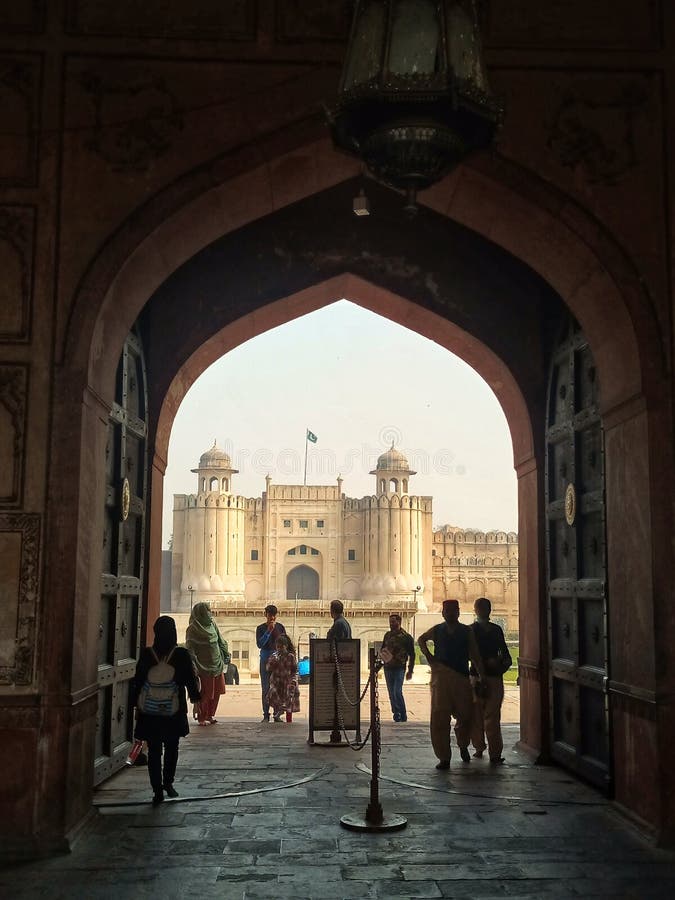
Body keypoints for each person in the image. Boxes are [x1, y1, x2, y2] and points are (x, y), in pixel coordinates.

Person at [132, 616, 201, 805]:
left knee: (154, 750)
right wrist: (196, 699)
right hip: (173, 709)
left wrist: (135, 704)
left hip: (151, 711)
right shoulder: (181, 654)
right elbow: (190, 680)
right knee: (172, 747)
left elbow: (138, 681)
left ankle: (157, 790)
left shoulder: (147, 654)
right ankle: (168, 784)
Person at [418, 599, 485, 770]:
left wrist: (481, 676)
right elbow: (421, 639)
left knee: (465, 716)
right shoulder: (438, 630)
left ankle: (463, 745)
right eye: (447, 610)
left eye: (453, 610)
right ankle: (444, 757)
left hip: (461, 677)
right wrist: (429, 657)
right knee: (440, 717)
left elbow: (475, 654)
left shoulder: (466, 631)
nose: (450, 613)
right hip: (441, 677)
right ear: (443, 613)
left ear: (458, 612)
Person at [470, 597, 512, 765]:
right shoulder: (471, 630)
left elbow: (505, 654)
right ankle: (480, 747)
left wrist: (499, 666)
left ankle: (493, 752)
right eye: (481, 607)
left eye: (485, 607)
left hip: (491, 676)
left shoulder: (495, 630)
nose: (483, 610)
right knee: (478, 715)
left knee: (491, 716)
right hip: (478, 677)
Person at [185, 601, 229, 725]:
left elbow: (220, 640)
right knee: (206, 693)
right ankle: (202, 717)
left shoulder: (212, 624)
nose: (210, 613)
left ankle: (210, 715)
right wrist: (194, 663)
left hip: (217, 663)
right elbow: (190, 647)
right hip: (203, 665)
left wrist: (226, 653)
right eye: (207, 610)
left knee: (217, 692)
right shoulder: (193, 628)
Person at [380, 613, 415, 722]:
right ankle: (396, 714)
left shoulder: (406, 637)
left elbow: (412, 654)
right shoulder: (387, 635)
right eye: (390, 622)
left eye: (393, 622)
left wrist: (410, 670)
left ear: (399, 622)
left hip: (399, 668)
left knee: (397, 691)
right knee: (391, 693)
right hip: (388, 668)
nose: (391, 624)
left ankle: (402, 713)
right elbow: (383, 649)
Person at [256, 604, 287, 722]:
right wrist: (268, 632)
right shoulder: (260, 628)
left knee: (278, 687)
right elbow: (260, 644)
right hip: (265, 660)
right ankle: (265, 714)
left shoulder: (280, 627)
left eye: (274, 616)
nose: (272, 618)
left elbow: (285, 643)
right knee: (266, 688)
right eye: (270, 616)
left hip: (278, 661)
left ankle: (277, 713)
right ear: (266, 615)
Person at [266, 635, 300, 723]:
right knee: (275, 697)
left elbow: (294, 669)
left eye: (282, 647)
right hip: (277, 681)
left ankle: (288, 720)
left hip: (287, 681)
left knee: (288, 699)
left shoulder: (290, 656)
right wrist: (273, 661)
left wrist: (293, 680)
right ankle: (277, 714)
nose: (280, 649)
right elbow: (268, 668)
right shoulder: (274, 656)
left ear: (286, 646)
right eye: (278, 647)